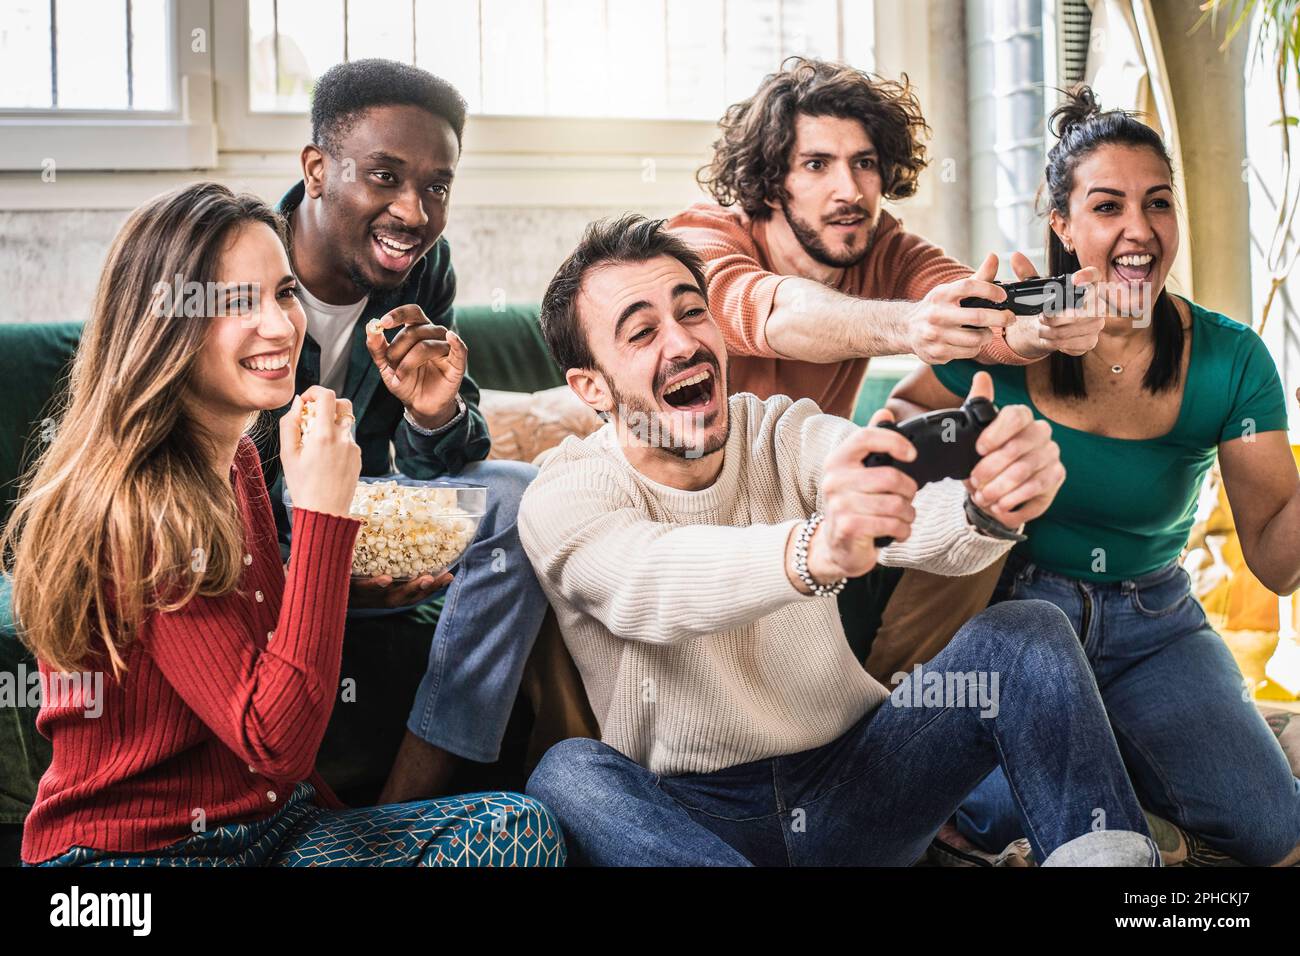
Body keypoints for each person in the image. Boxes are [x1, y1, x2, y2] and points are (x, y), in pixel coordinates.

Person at [517, 213, 1158, 866]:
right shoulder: (563, 494)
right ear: (590, 386)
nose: (682, 343)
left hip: (859, 785)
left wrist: (986, 505)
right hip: (694, 819)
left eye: (692, 313)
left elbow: (904, 494)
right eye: (642, 332)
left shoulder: (780, 432)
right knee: (566, 773)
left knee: (1028, 635)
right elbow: (649, 582)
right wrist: (815, 551)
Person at [4, 183, 563, 867]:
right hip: (134, 861)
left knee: (516, 825)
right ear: (162, 324)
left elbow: (261, 666)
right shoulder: (142, 502)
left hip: (273, 832)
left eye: (284, 292)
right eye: (238, 302)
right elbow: (275, 739)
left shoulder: (237, 456)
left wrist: (359, 830)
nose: (279, 325)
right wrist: (324, 511)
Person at [889, 86, 1300, 866]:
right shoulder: (1002, 332)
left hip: (1157, 621)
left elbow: (1279, 566)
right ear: (1062, 225)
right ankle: (1121, 779)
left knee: (1267, 827)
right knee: (1009, 815)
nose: (1139, 231)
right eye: (1107, 207)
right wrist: (961, 442)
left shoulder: (1231, 357)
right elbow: (897, 438)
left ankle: (1138, 751)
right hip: (1020, 617)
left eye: (1158, 204)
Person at [667, 57, 1104, 673]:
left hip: (815, 496)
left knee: (987, 503)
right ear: (770, 182)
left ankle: (899, 700)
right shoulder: (702, 240)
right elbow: (770, 314)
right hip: (690, 501)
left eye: (864, 163)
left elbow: (971, 309)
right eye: (817, 165)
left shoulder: (887, 248)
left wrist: (1037, 331)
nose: (850, 191)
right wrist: (908, 323)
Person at [254, 59, 550, 802]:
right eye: (384, 177)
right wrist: (318, 561)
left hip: (357, 511)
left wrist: (431, 412)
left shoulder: (424, 268)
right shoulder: (239, 262)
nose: (414, 213)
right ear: (317, 170)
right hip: (251, 531)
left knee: (523, 501)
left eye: (436, 186)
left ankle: (411, 797)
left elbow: (429, 471)